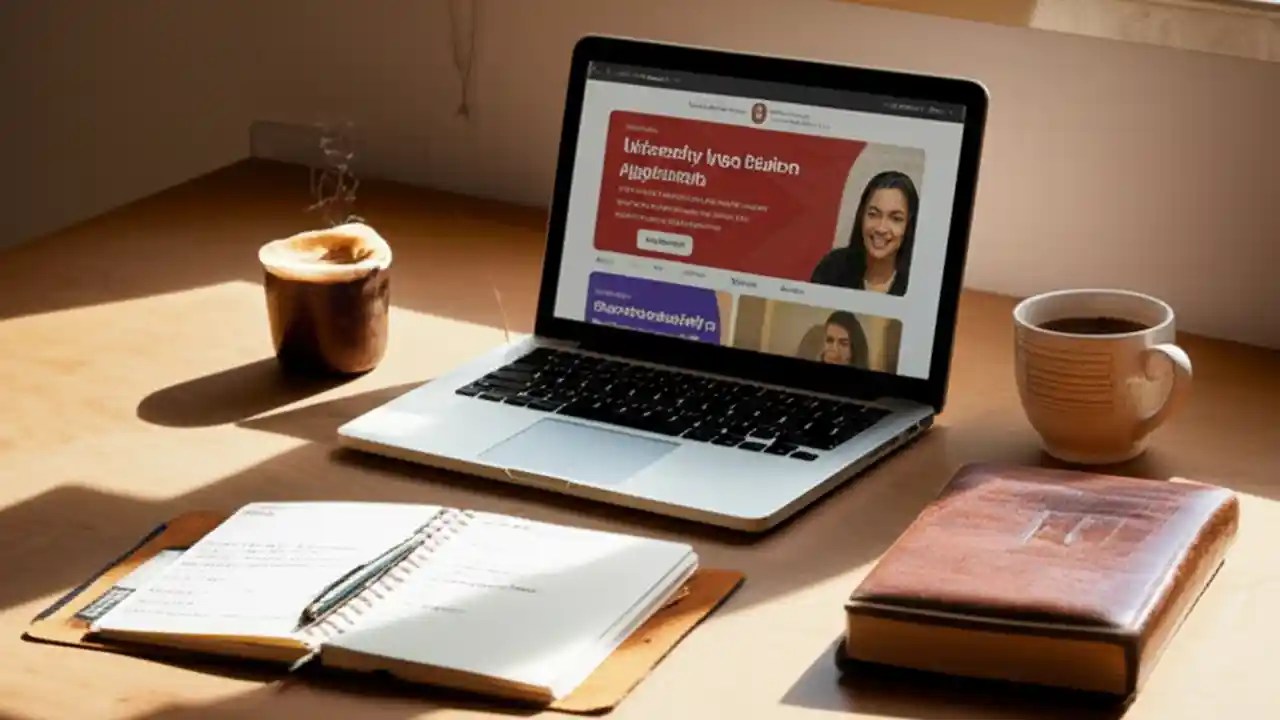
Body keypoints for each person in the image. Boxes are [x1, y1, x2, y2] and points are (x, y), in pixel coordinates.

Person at [810, 170, 918, 296]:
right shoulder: (832, 269)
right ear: (861, 216)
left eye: (895, 219)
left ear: (909, 224)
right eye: (873, 214)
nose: (881, 228)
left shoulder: (920, 282)